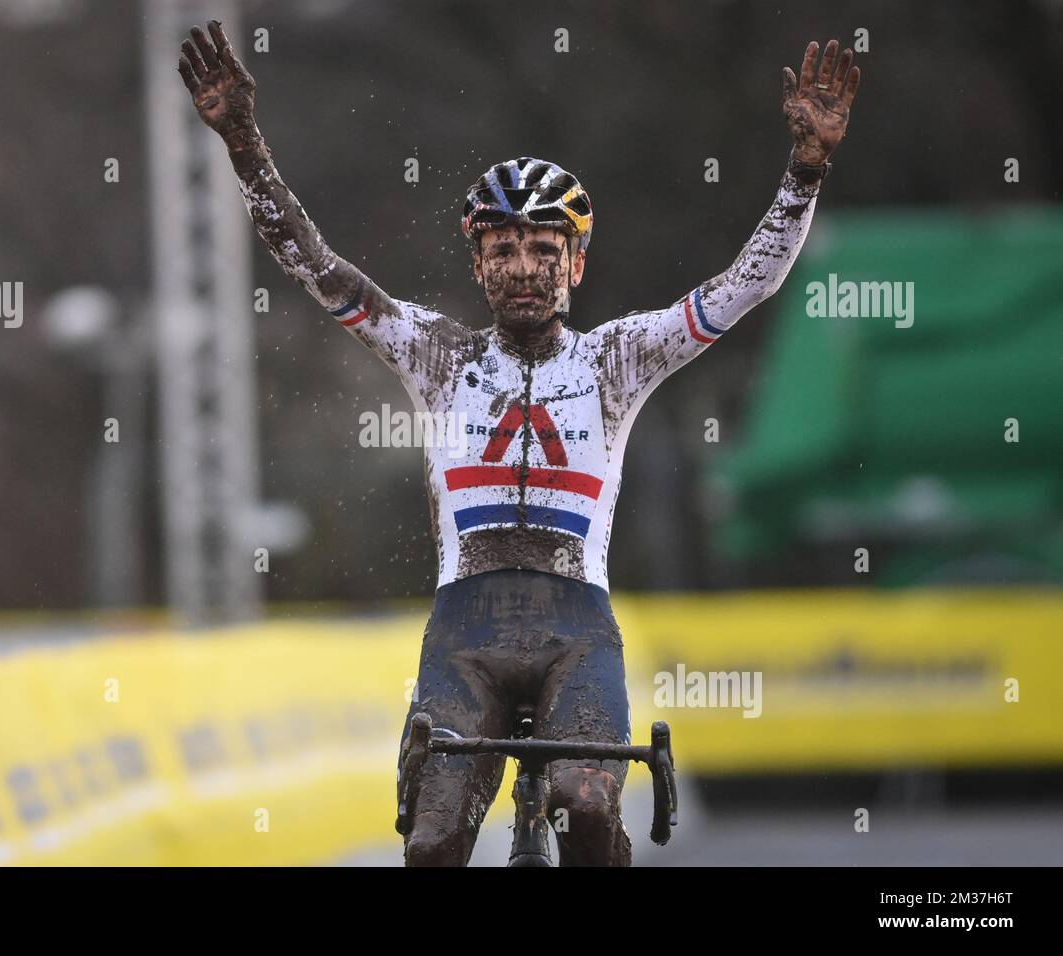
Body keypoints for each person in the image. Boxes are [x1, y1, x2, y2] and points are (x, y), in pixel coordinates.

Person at [178, 23, 860, 866]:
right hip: (464, 630)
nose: (525, 267)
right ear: (477, 265)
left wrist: (806, 170)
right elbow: (316, 265)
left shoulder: (618, 358)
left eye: (545, 249)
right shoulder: (436, 354)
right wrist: (245, 146)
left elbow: (745, 285)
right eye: (503, 249)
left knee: (582, 804)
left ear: (577, 265)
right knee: (431, 844)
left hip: (579, 629)